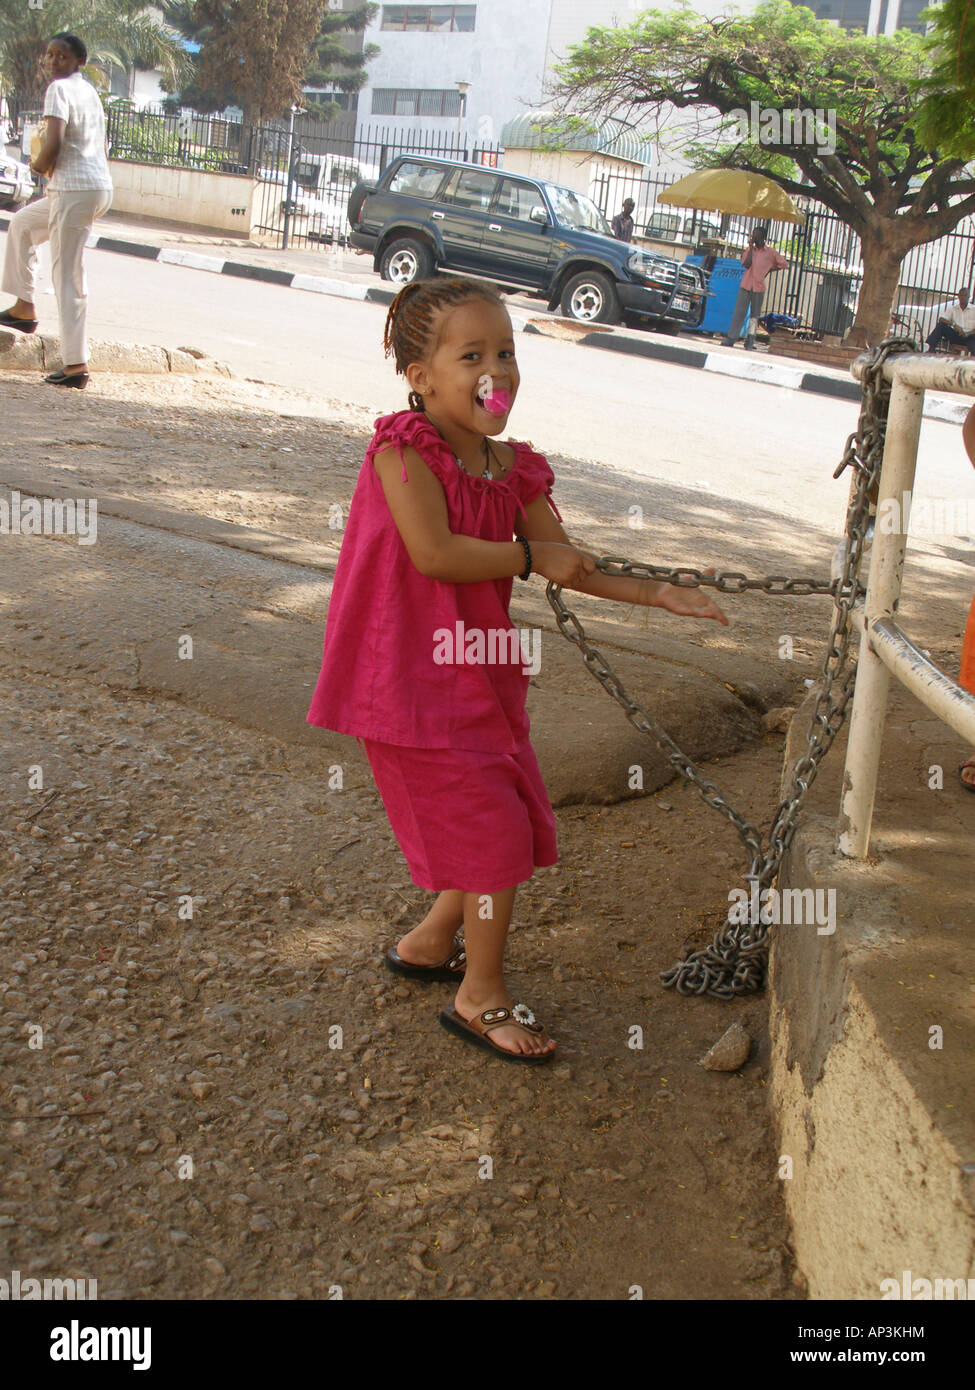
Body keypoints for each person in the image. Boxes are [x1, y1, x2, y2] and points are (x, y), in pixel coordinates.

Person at [306, 276, 728, 1064]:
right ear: (419, 376)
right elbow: (436, 553)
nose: (494, 370)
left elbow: (567, 564)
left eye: (505, 351)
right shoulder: (403, 453)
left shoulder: (511, 469)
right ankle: (481, 997)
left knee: (502, 815)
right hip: (405, 681)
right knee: (493, 837)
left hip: (477, 676)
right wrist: (532, 555)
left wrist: (656, 593)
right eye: (471, 355)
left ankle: (432, 942)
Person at [0, 33, 113, 389]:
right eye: (49, 55)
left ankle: (76, 365)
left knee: (67, 276)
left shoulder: (60, 90)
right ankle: (24, 308)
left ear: (78, 61)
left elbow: (55, 141)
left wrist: (36, 165)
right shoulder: (88, 91)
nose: (52, 61)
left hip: (75, 190)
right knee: (21, 224)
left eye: (61, 56)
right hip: (86, 187)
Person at [721, 227, 788, 350]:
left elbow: (784, 264)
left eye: (756, 235)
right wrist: (751, 248)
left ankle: (750, 340)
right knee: (739, 313)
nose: (753, 237)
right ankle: (731, 338)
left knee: (754, 316)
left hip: (759, 287)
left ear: (763, 237)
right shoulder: (750, 250)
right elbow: (746, 264)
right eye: (753, 235)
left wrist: (770, 269)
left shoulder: (770, 253)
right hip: (746, 285)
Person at [926, 287, 975, 356]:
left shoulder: (973, 309)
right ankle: (929, 349)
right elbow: (941, 319)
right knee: (941, 326)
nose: (963, 297)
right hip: (957, 336)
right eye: (961, 295)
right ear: (958, 296)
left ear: (968, 297)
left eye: (965, 295)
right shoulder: (953, 309)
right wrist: (954, 325)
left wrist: (968, 334)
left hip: (970, 337)